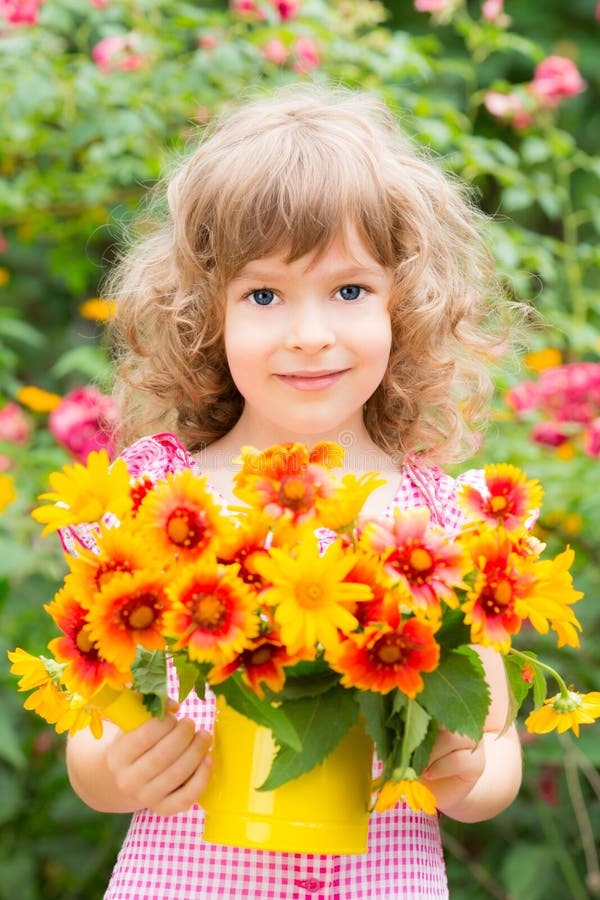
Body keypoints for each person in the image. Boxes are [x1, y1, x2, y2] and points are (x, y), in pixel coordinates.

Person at [64, 84, 524, 899]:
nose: (310, 333)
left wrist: (468, 770)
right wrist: (124, 768)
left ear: (403, 306)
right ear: (207, 313)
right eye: (265, 295)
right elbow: (92, 753)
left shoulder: (450, 519)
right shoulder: (152, 502)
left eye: (349, 291)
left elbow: (494, 747)